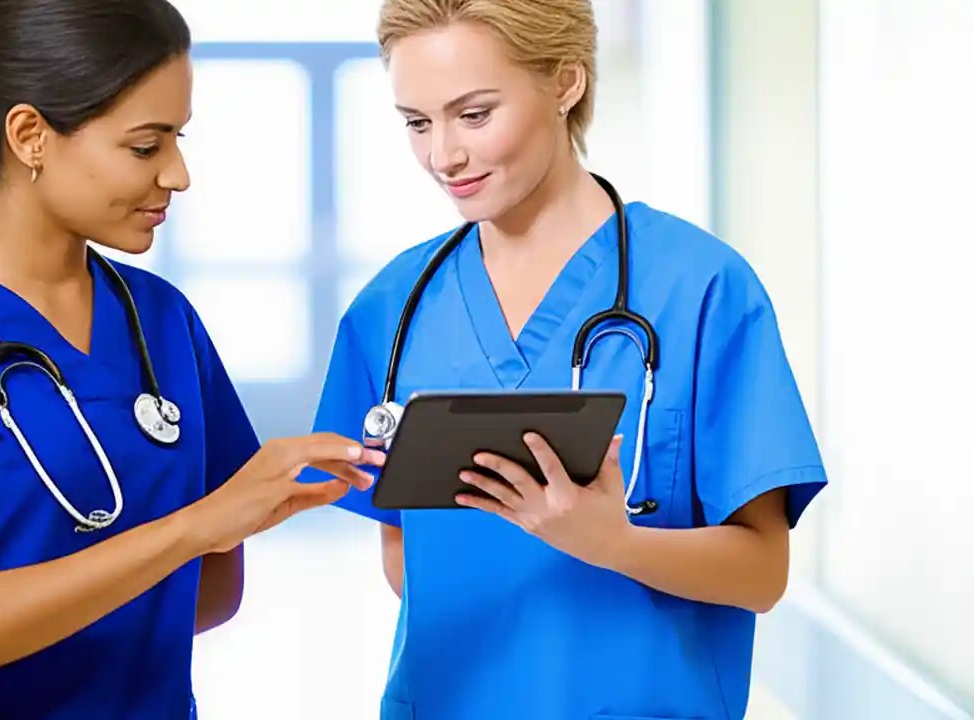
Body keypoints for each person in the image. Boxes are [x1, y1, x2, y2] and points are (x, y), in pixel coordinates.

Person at [0, 1, 383, 717]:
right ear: (30, 135)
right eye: (145, 146)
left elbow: (209, 595)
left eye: (178, 138)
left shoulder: (164, 322)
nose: (179, 174)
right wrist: (189, 528)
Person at [305, 1, 827, 718]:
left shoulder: (699, 286)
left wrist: (612, 544)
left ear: (566, 83)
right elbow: (404, 557)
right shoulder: (391, 306)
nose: (443, 155)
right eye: (417, 123)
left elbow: (762, 573)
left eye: (475, 114)